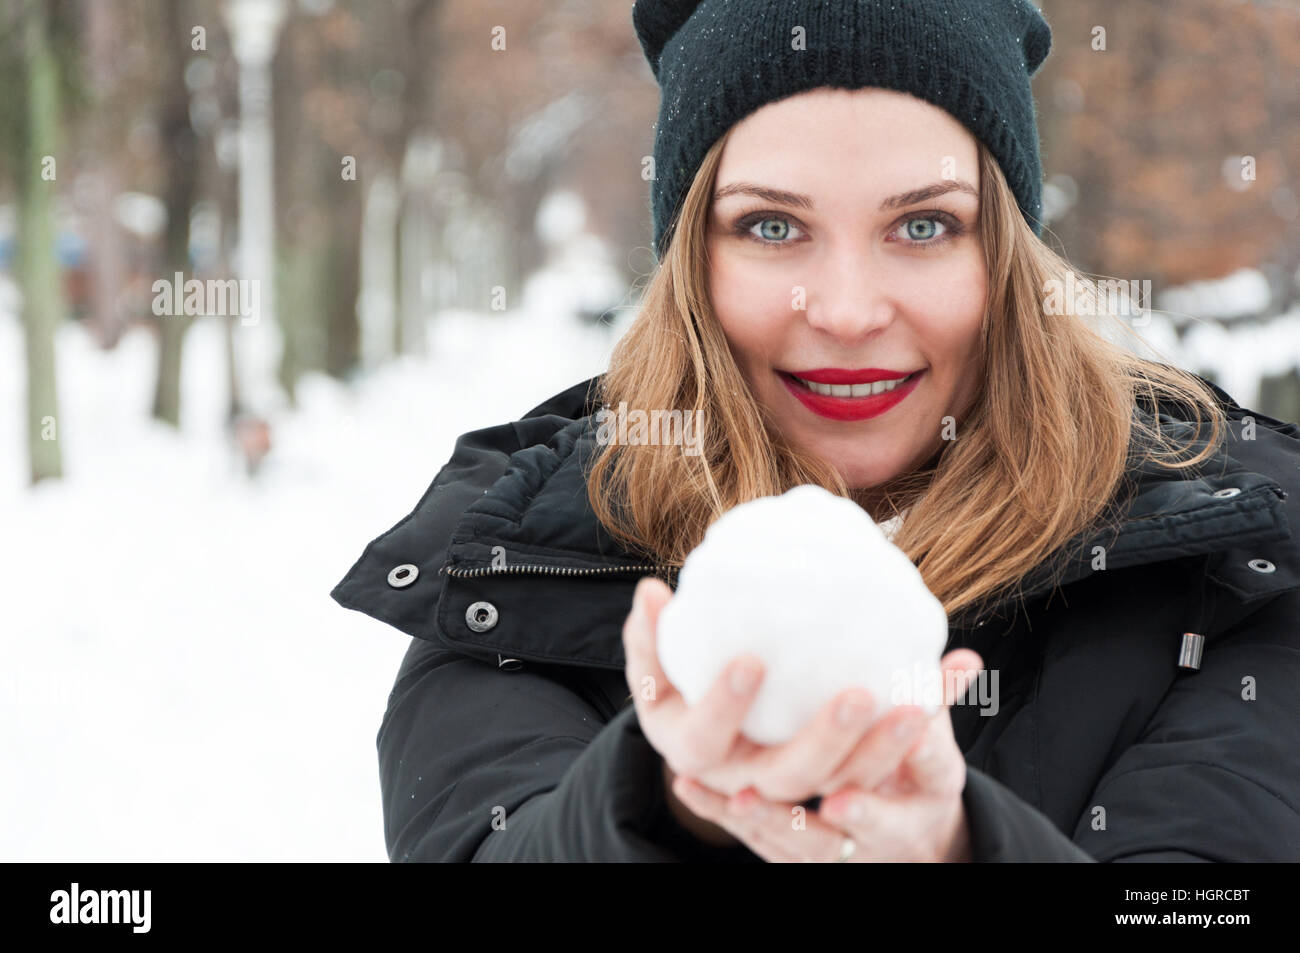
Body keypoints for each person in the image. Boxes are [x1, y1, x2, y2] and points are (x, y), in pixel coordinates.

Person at [331, 0, 1300, 861]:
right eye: (770, 227)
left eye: (922, 226)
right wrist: (674, 804)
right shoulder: (519, 574)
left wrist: (956, 845)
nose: (843, 310)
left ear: (1003, 256)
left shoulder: (1234, 568)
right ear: (690, 265)